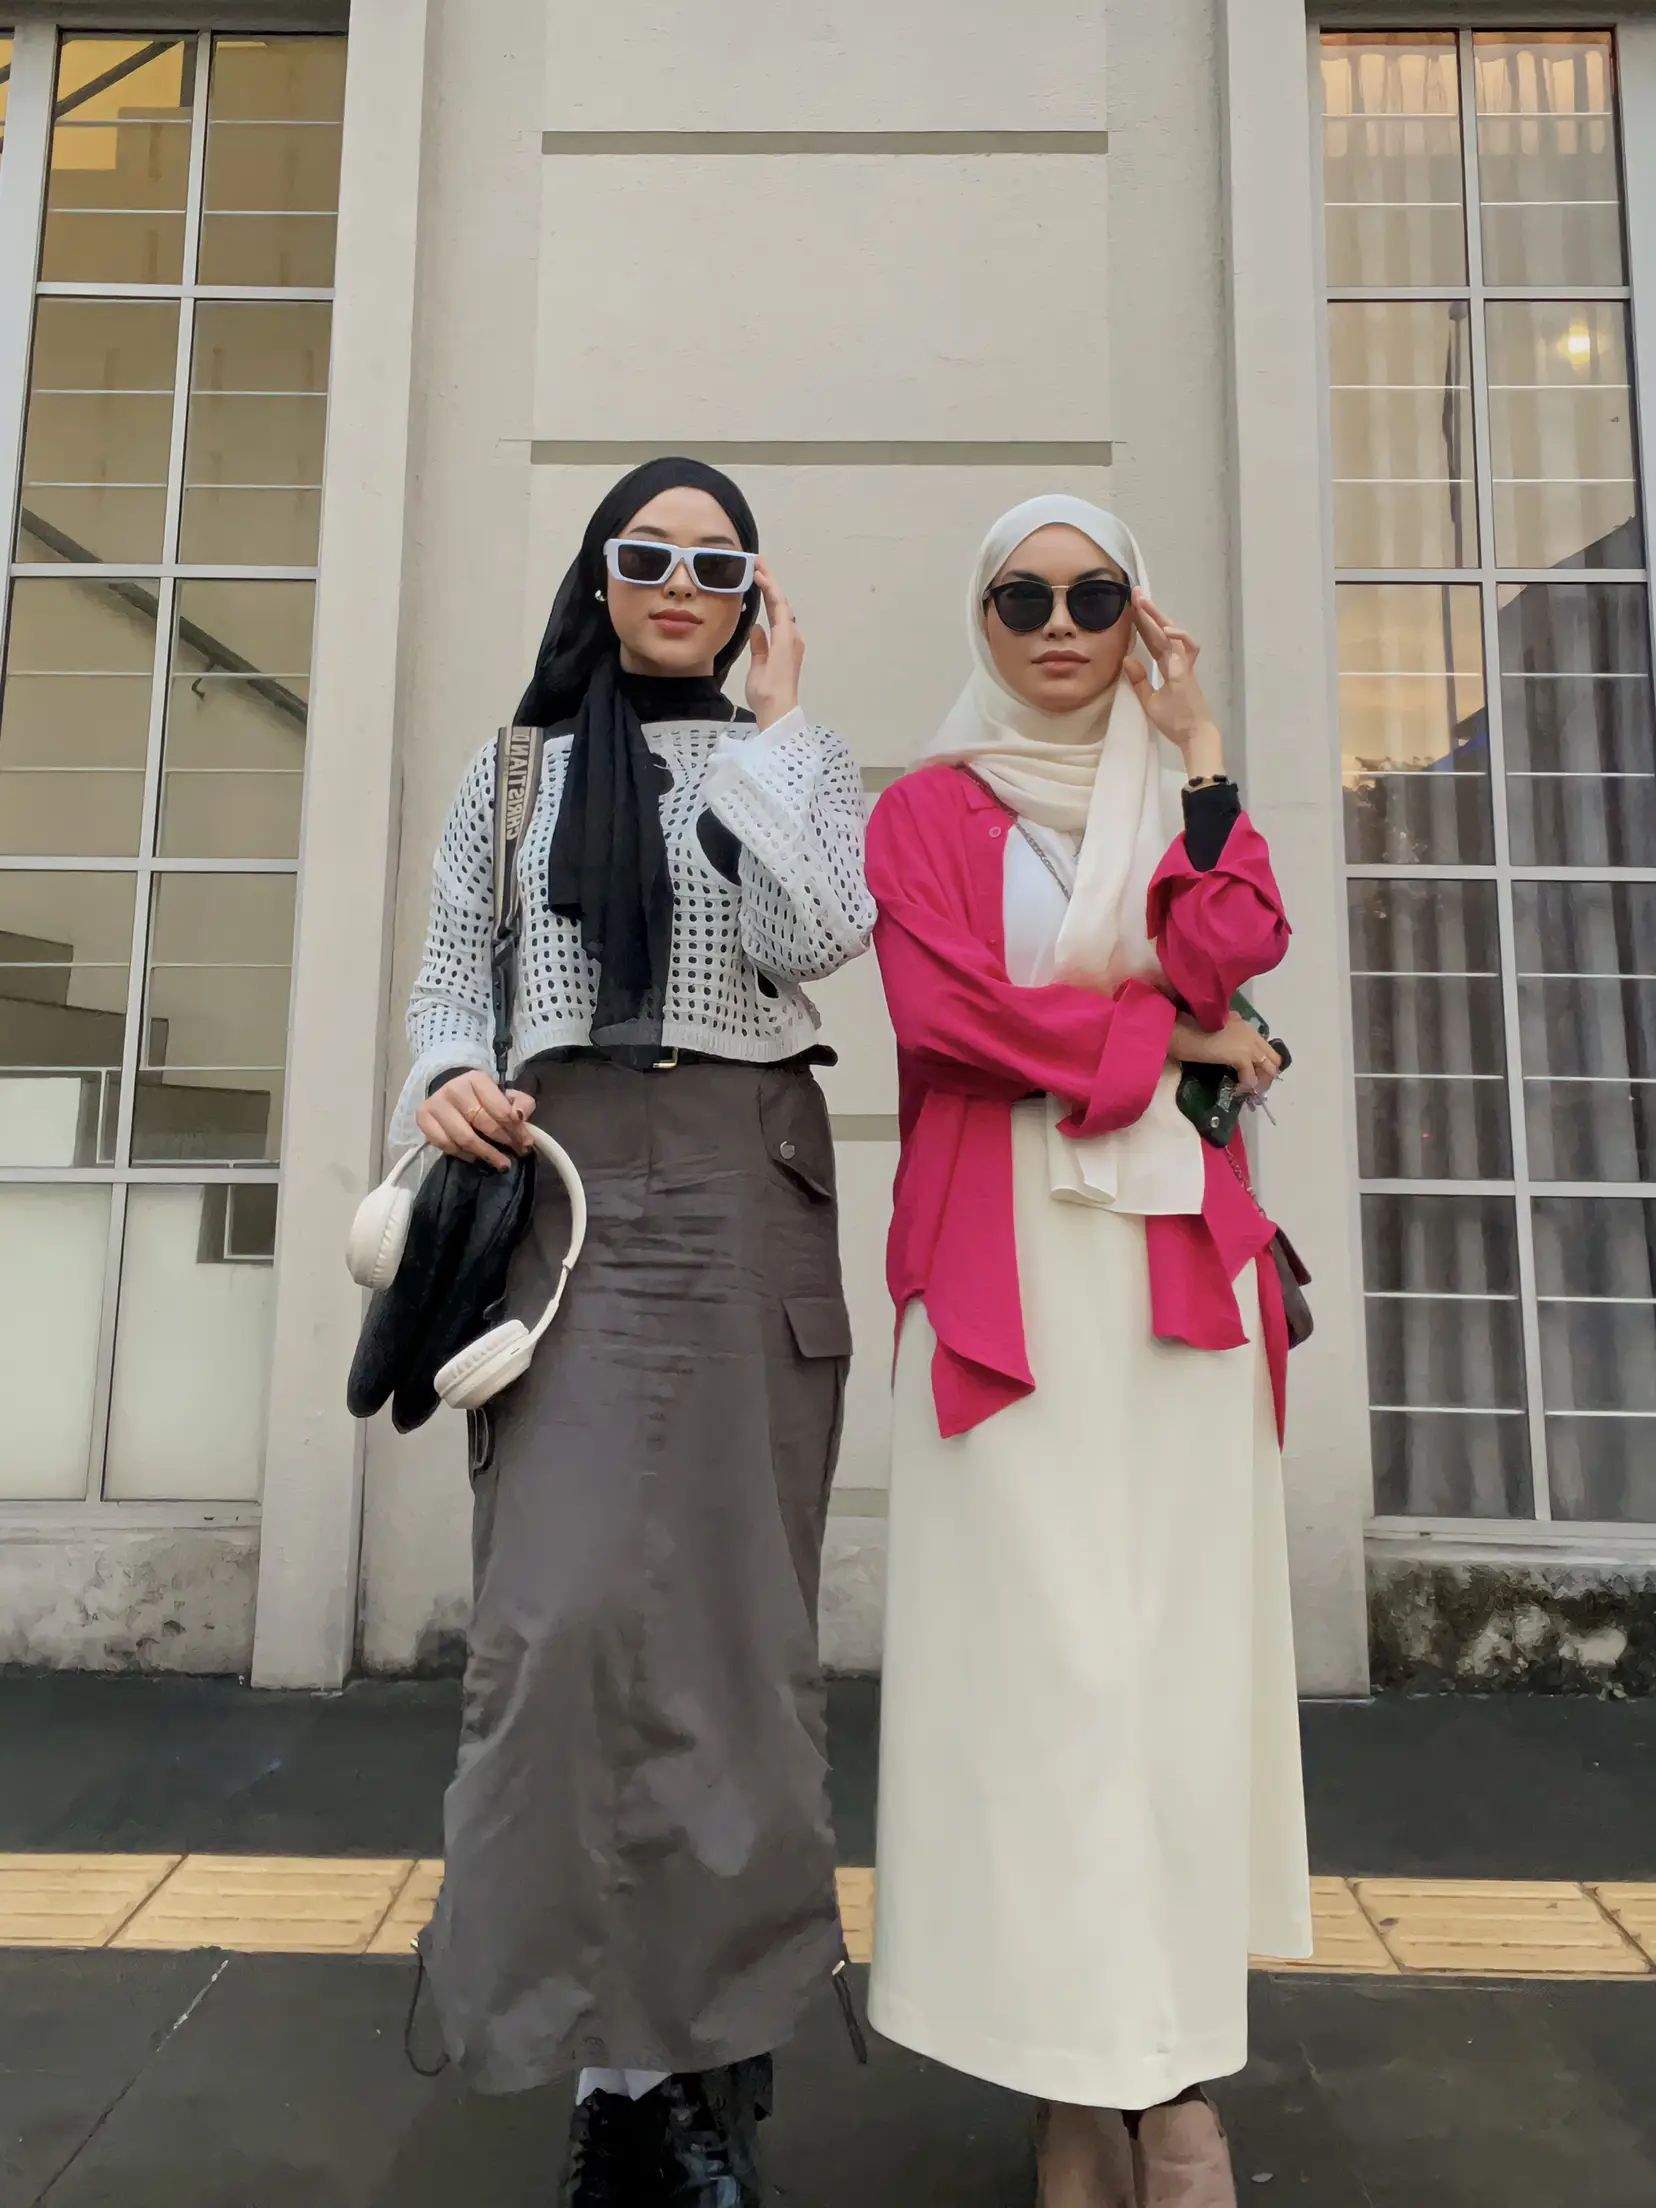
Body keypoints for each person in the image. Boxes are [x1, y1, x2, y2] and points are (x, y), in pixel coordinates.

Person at [394, 457, 875, 2205]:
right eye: (648, 553)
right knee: (565, 1623)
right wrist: (449, 1073)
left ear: (753, 596)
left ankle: (676, 2071)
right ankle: (605, 2060)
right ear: (599, 575)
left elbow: (822, 932)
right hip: (568, 1187)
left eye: (717, 564)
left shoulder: (794, 760)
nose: (680, 582)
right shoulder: (514, 768)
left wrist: (777, 736)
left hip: (746, 1179)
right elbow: (454, 971)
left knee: (734, 1640)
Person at [863, 496, 1311, 2207]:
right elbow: (949, 1020)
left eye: (1096, 594)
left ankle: (1169, 2084)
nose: (1060, 623)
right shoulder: (921, 811)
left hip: (1174, 1280)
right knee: (1039, 1682)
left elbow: (1233, 943)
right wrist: (1172, 1039)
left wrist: (1200, 751)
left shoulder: (1165, 792)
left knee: (1171, 1678)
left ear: (1137, 617)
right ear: (981, 620)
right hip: (1007, 1278)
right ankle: (1069, 2085)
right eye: (1024, 596)